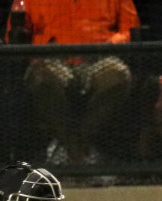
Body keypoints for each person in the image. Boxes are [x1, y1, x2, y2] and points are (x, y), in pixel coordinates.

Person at [9, 0, 141, 165]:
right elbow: (13, 34)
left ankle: (71, 147)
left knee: (117, 77)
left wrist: (107, 43)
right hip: (51, 59)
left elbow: (130, 31)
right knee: (42, 78)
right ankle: (78, 153)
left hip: (99, 57)